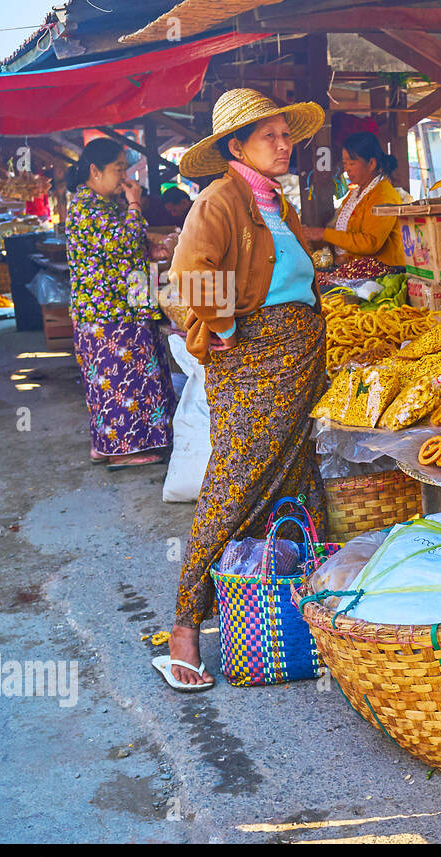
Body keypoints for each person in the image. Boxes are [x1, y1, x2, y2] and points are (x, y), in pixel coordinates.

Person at [156, 88, 328, 691]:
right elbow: (188, 276)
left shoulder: (274, 199)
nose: (283, 146)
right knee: (236, 484)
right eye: (269, 138)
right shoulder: (220, 199)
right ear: (236, 147)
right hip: (258, 364)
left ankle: (297, 618)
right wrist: (225, 327)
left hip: (300, 359)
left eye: (287, 136)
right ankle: (185, 625)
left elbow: (292, 273)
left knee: (295, 478)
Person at [63, 138, 176, 470]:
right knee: (120, 380)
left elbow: (125, 245)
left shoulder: (100, 204)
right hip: (109, 313)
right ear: (95, 171)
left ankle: (105, 444)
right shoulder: (87, 206)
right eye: (118, 169)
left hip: (115, 308)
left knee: (108, 381)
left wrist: (154, 248)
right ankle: (124, 449)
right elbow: (123, 244)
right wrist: (135, 204)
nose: (125, 177)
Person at [302, 131, 404, 291]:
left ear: (371, 163)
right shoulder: (356, 193)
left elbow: (370, 243)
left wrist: (324, 234)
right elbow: (351, 236)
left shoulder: (383, 195)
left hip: (383, 278)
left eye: (352, 163)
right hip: (359, 272)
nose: (347, 169)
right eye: (345, 164)